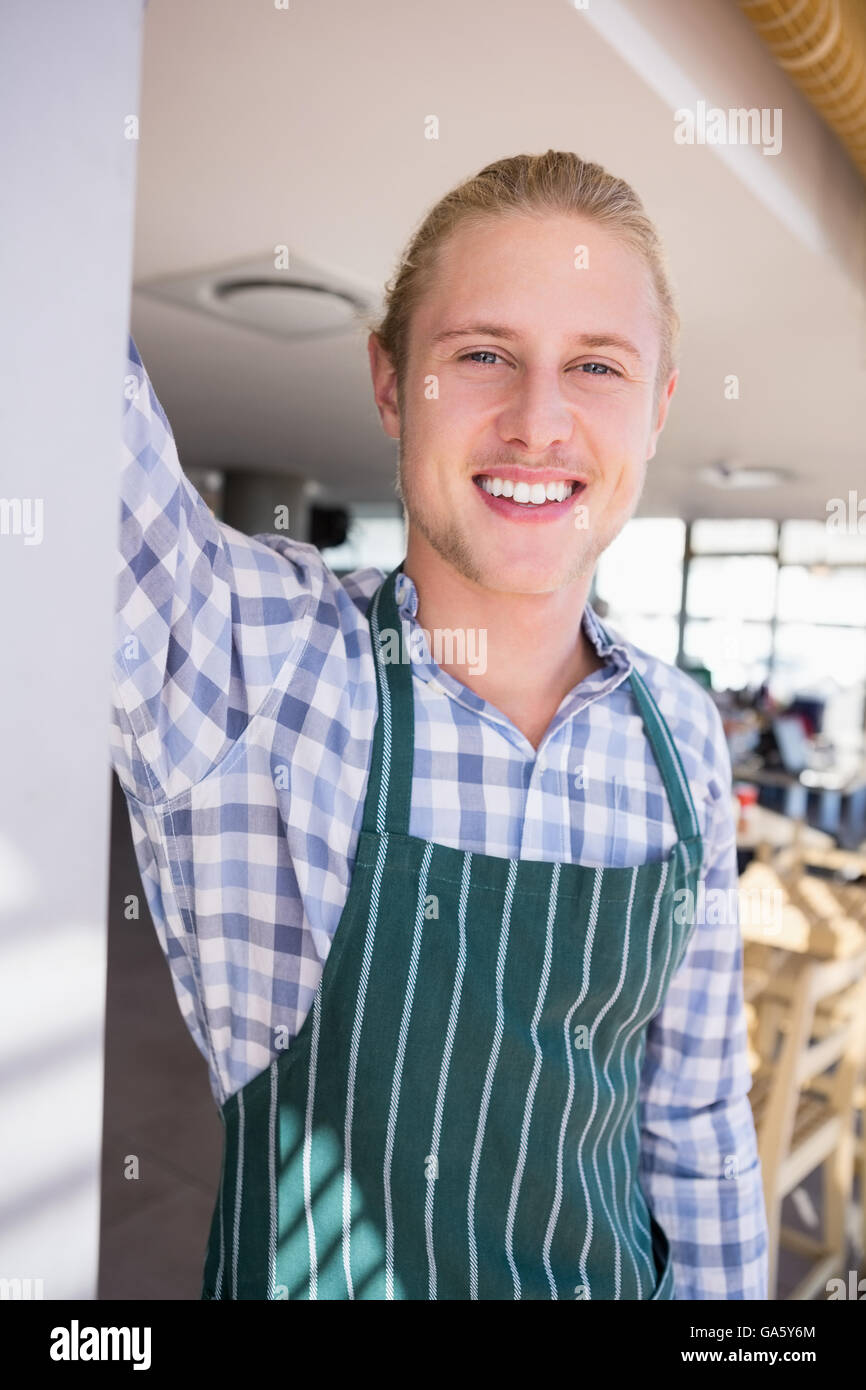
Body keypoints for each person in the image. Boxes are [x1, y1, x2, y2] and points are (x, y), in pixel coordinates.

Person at [112, 150, 769, 1300]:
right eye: (480, 355)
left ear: (660, 407)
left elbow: (695, 1124)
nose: (536, 421)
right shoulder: (257, 661)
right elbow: (51, 371)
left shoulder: (681, 735)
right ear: (387, 380)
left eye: (595, 367)